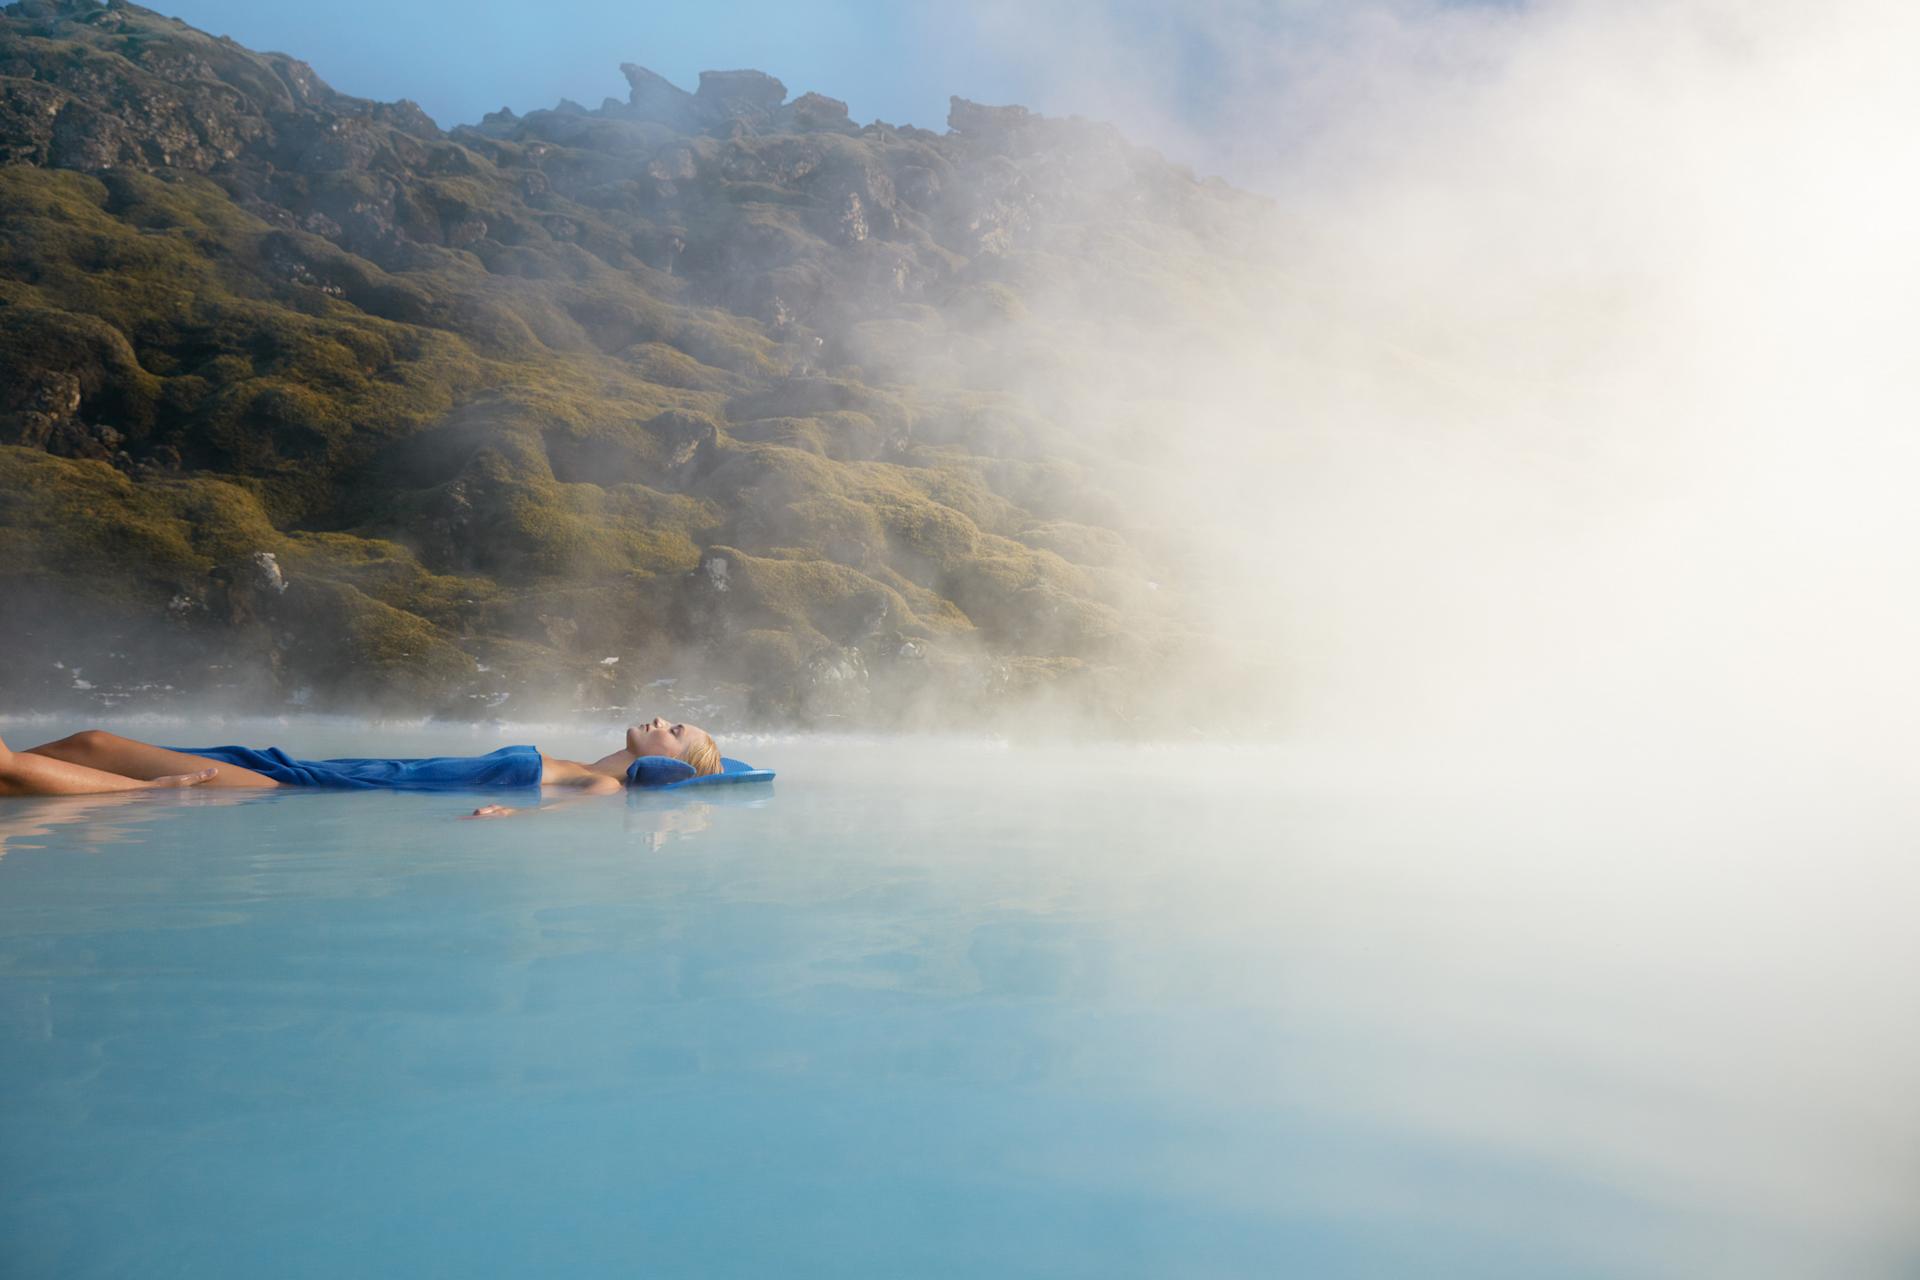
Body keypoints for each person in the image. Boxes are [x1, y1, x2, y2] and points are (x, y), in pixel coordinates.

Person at [0, 718, 722, 809]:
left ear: (675, 761)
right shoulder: (578, 763)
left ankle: (136, 797)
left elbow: (555, 822)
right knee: (87, 745)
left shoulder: (596, 782)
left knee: (96, 748)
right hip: (340, 764)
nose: (660, 719)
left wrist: (503, 816)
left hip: (328, 784)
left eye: (675, 728)